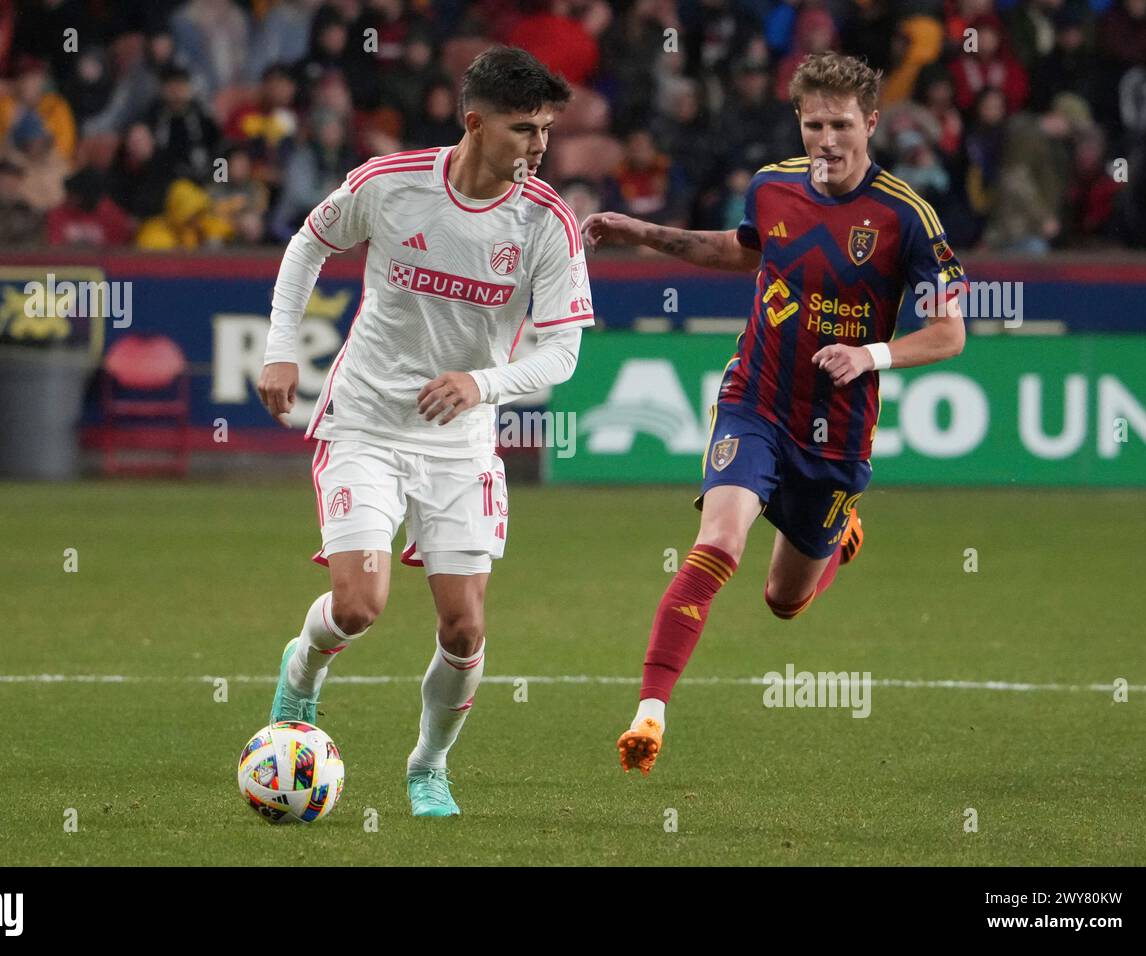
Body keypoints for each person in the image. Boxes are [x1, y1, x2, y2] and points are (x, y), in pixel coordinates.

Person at [582, 52, 968, 776]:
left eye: (842, 125)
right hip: (754, 403)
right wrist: (642, 232)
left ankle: (838, 535)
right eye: (814, 123)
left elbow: (950, 333)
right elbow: (740, 252)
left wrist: (872, 356)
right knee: (719, 544)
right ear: (800, 121)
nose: (827, 139)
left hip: (838, 434)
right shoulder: (771, 188)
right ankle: (650, 713)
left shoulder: (907, 218)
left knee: (783, 602)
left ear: (871, 123)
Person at [257, 46, 595, 817]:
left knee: (465, 625)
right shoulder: (391, 184)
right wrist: (282, 348)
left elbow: (564, 352)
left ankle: (427, 766)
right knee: (358, 606)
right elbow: (309, 242)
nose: (538, 147)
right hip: (367, 422)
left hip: (462, 439)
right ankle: (301, 675)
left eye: (545, 130)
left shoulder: (548, 224)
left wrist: (480, 383)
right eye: (522, 130)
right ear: (474, 122)